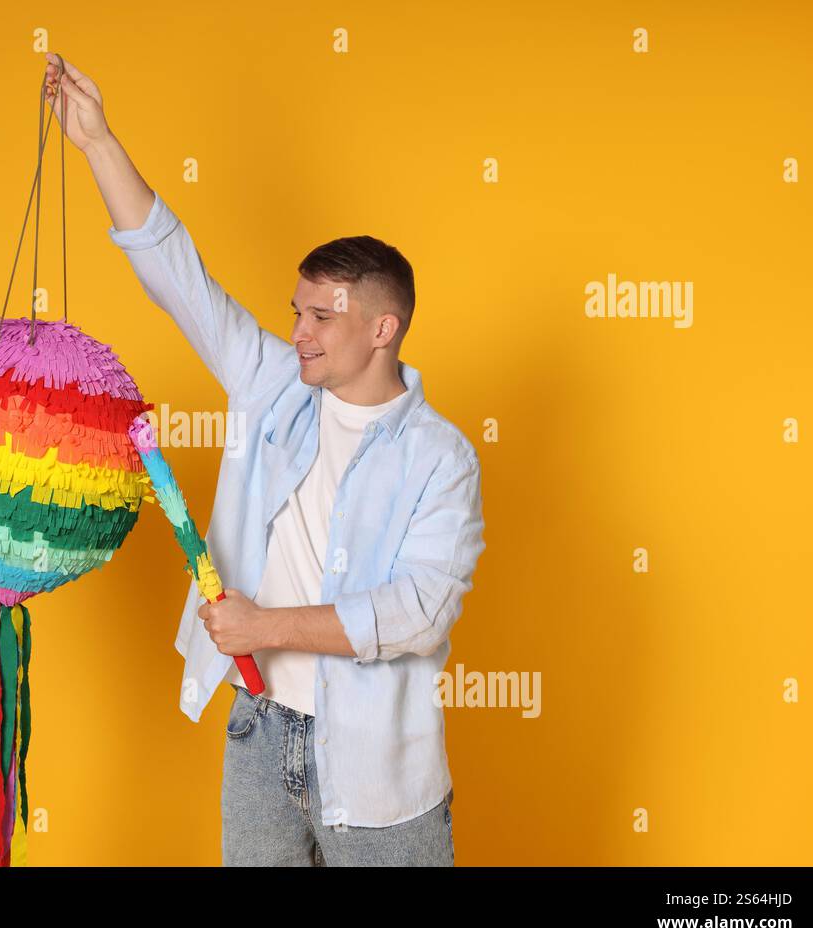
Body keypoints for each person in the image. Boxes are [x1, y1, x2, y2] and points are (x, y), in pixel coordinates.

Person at [44, 53, 485, 866]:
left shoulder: (442, 457)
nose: (299, 333)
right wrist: (98, 140)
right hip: (257, 732)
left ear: (382, 328)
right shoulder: (270, 384)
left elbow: (416, 612)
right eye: (296, 311)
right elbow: (178, 277)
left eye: (322, 315)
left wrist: (259, 626)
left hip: (381, 768)